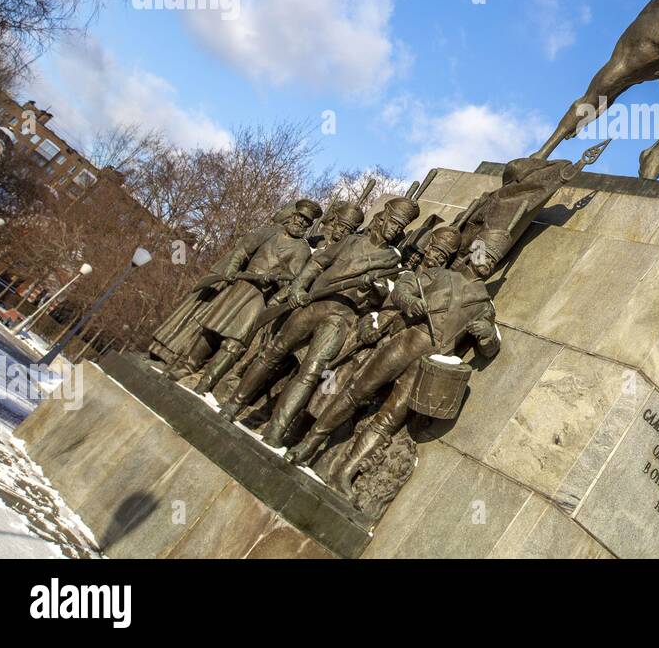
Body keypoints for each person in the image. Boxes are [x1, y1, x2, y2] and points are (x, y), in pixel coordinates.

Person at [285, 237, 502, 498]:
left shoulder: (485, 305)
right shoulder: (440, 275)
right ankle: (309, 444)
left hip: (432, 363)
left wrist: (486, 333)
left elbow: (489, 349)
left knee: (389, 419)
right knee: (356, 392)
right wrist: (410, 302)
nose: (488, 263)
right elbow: (402, 287)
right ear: (472, 254)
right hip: (408, 341)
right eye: (485, 256)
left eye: (493, 261)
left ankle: (345, 473)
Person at [218, 197, 419, 447]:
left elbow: (380, 299)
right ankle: (233, 406)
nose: (395, 229)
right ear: (383, 218)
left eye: (400, 226)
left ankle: (275, 431)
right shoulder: (351, 241)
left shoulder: (392, 262)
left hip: (340, 319)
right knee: (273, 353)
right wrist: (299, 287)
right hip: (314, 304)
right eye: (394, 222)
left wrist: (374, 288)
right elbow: (318, 262)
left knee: (311, 373)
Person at [164, 200, 321, 393]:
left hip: (259, 296)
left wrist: (273, 280)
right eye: (299, 218)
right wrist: (232, 268)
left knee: (236, 341)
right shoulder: (269, 233)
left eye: (306, 222)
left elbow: (291, 280)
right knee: (212, 328)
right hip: (241, 285)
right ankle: (187, 366)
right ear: (293, 216)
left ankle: (207, 382)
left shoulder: (301, 249)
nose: (300, 223)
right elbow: (243, 251)